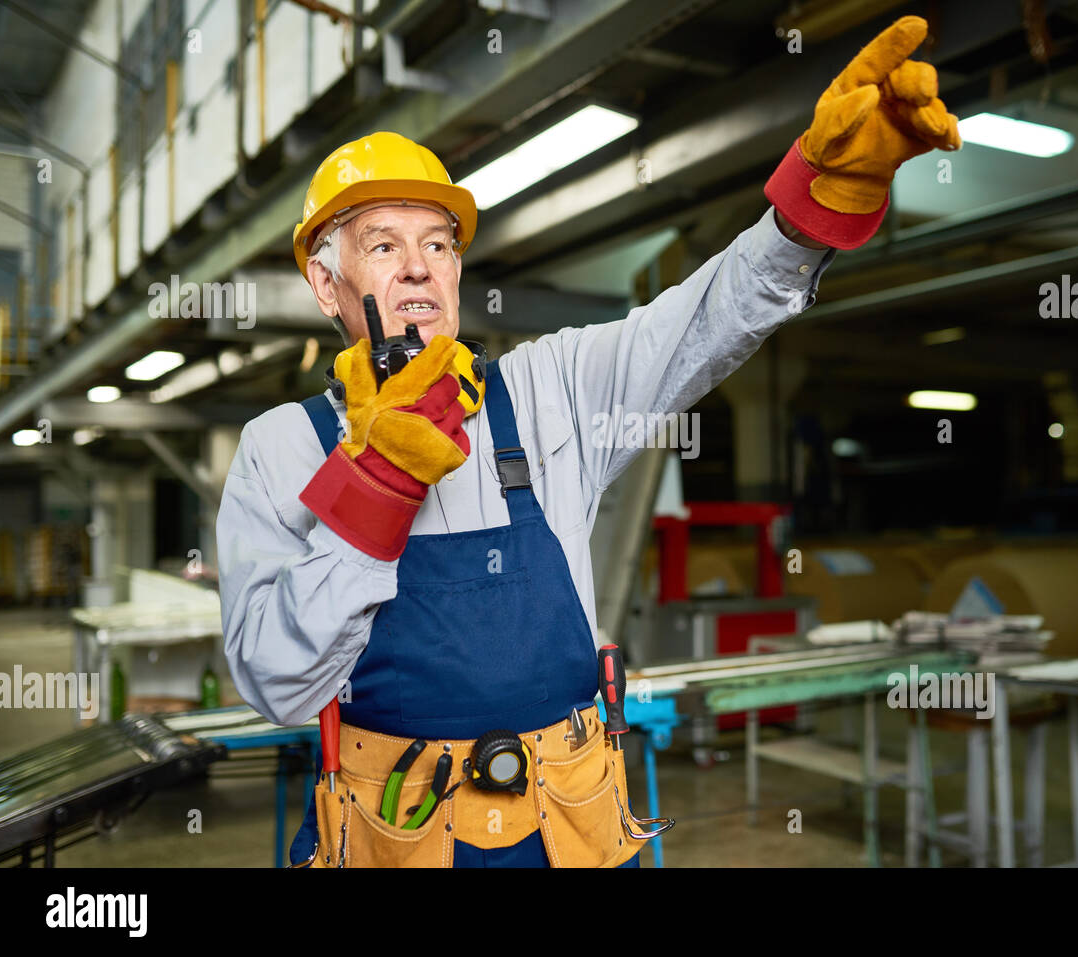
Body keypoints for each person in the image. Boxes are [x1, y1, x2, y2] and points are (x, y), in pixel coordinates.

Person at [215, 15, 959, 867]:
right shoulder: (282, 448)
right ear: (325, 280)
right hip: (395, 836)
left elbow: (702, 322)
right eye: (383, 245)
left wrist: (815, 205)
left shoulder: (548, 390)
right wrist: (377, 482)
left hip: (566, 827)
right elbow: (278, 686)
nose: (419, 267)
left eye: (438, 243)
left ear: (458, 269)